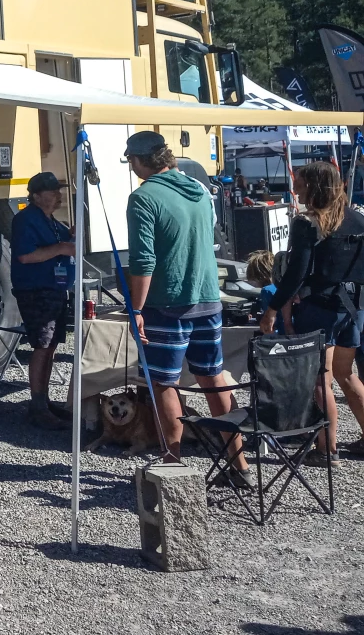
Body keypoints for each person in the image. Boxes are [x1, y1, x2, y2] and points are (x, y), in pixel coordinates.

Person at [124, 131, 246, 474]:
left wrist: (135, 308)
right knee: (212, 376)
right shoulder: (197, 190)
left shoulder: (143, 198)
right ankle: (239, 463)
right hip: (207, 297)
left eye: (131, 160)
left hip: (168, 302)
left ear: (138, 160)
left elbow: (143, 261)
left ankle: (173, 460)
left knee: (164, 381)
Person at [261, 160, 364, 464]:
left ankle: (326, 449)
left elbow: (296, 273)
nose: (295, 190)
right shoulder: (358, 221)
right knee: (347, 375)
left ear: (315, 187)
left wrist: (272, 308)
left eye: (300, 184)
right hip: (352, 309)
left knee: (322, 380)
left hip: (320, 308)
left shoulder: (308, 223)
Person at [10, 171, 75, 430]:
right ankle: (37, 407)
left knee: (50, 346)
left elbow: (63, 240)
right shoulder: (26, 220)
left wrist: (68, 237)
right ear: (36, 196)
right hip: (36, 290)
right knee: (42, 345)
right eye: (52, 191)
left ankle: (43, 401)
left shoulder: (50, 221)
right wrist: (61, 248)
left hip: (54, 289)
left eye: (58, 190)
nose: (58, 195)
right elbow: (25, 256)